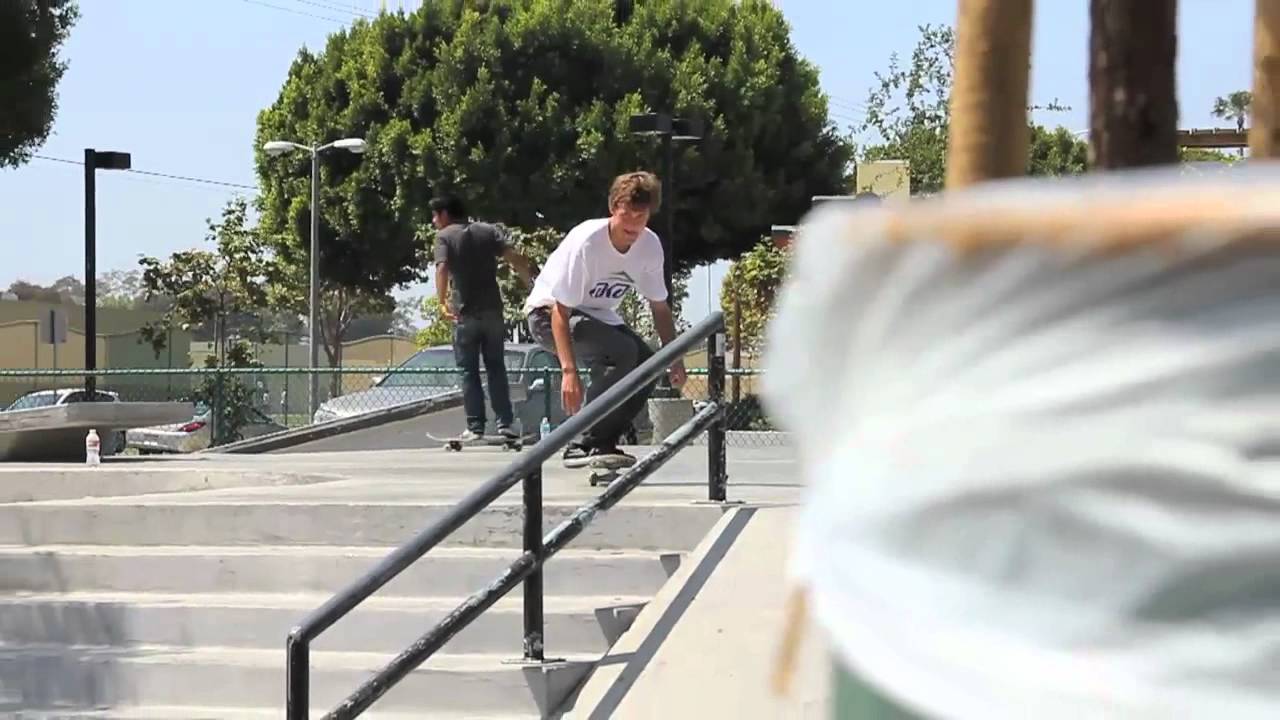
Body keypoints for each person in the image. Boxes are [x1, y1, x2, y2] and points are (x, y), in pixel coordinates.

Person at [522, 171, 686, 468]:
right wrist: (569, 371)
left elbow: (659, 308)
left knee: (648, 363)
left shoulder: (649, 247)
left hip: (596, 317)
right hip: (547, 316)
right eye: (628, 216)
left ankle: (604, 441)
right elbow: (561, 311)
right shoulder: (587, 242)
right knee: (621, 351)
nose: (633, 226)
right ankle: (581, 442)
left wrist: (674, 358)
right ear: (613, 208)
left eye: (641, 217)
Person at [432, 194, 535, 440]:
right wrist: (532, 285)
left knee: (468, 370)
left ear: (445, 214)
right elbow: (514, 257)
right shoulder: (488, 231)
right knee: (496, 367)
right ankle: (505, 423)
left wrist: (442, 302)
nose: (434, 221)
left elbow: (442, 268)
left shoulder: (444, 236)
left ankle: (476, 426)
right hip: (492, 312)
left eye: (435, 216)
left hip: (464, 313)